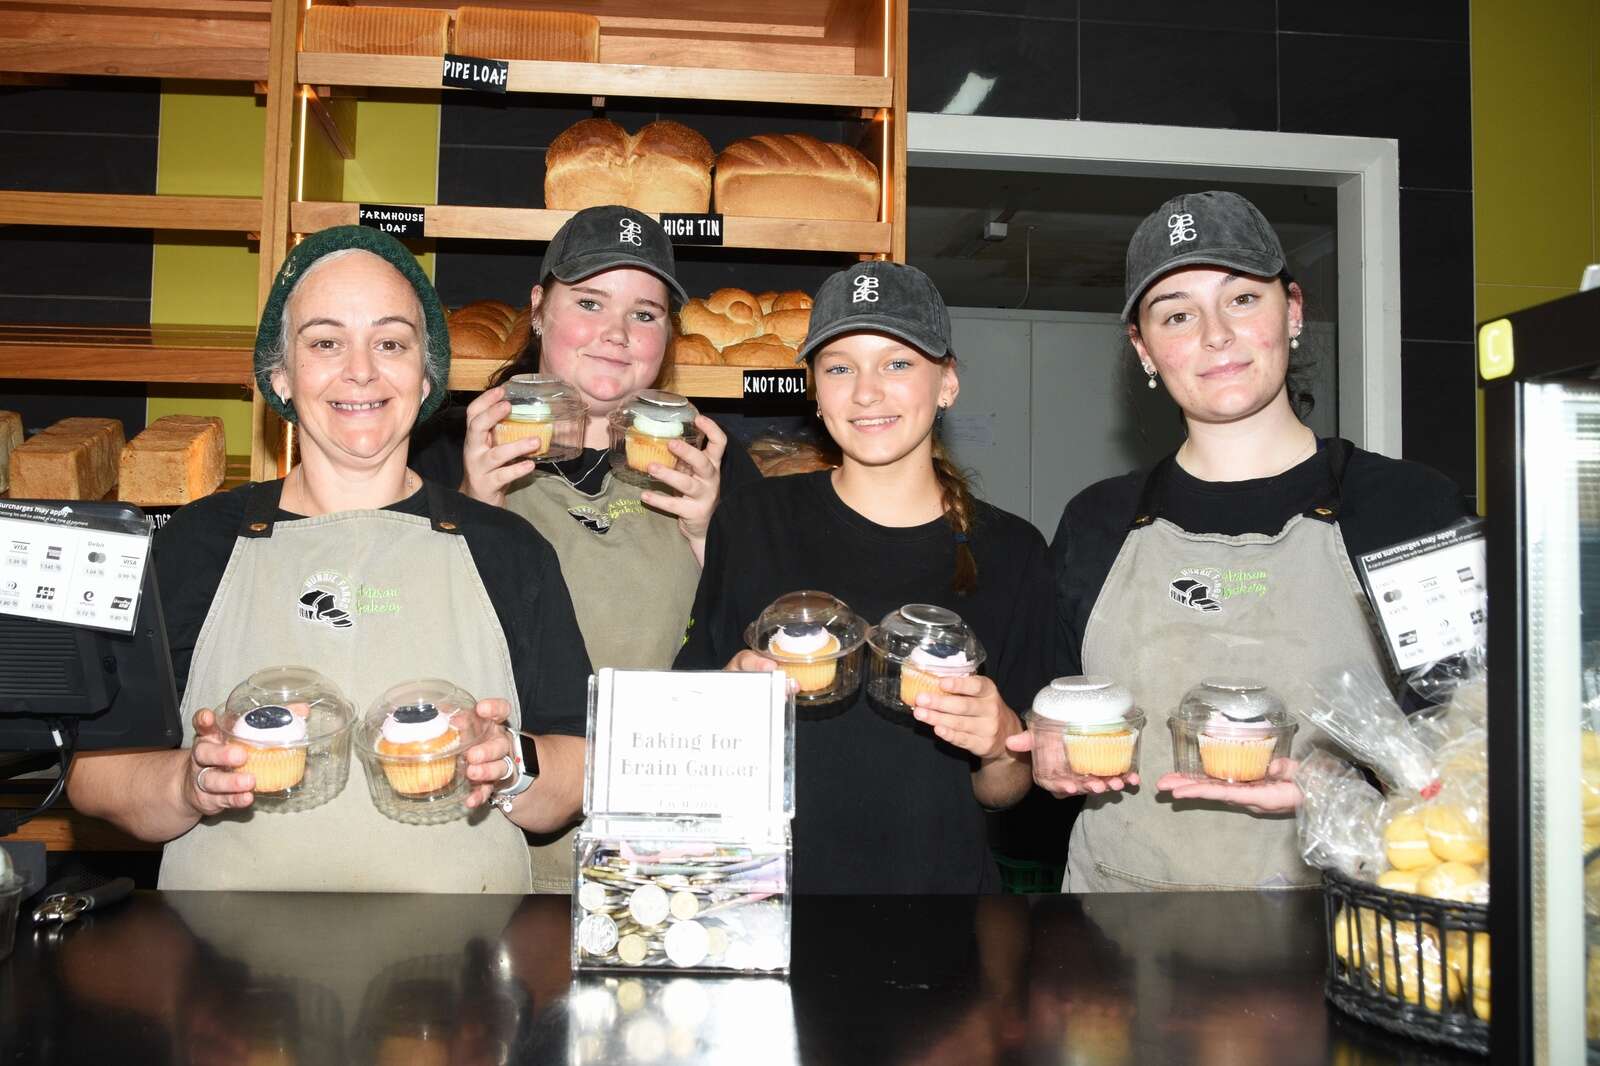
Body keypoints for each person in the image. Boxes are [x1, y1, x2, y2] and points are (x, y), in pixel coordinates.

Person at [66, 226, 591, 892]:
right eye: (324, 342)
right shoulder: (194, 545)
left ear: (426, 374)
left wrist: (509, 763)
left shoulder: (507, 550)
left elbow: (576, 768)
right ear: (280, 374)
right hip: (225, 974)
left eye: (391, 343)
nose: (361, 370)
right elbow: (95, 774)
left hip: (464, 971)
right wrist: (187, 781)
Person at [1017, 190, 1469, 892]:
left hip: (1341, 939)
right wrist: (1045, 743)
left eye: (1241, 300)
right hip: (1117, 948)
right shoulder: (1097, 522)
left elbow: (1483, 760)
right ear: (1144, 348)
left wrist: (1341, 796)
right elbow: (1049, 707)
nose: (1215, 335)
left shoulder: (1408, 509)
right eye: (1176, 314)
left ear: (1292, 311)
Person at [411, 206, 761, 889]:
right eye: (590, 302)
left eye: (645, 314)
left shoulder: (716, 469)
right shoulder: (444, 451)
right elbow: (400, 646)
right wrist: (475, 511)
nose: (615, 335)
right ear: (540, 309)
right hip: (484, 844)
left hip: (663, 854)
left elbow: (759, 660)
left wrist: (708, 536)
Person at [675, 261, 1053, 894]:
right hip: (764, 901)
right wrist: (728, 690)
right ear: (814, 392)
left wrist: (998, 743)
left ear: (948, 383)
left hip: (940, 908)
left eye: (898, 363)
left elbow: (1004, 795)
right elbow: (690, 718)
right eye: (840, 367)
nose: (866, 392)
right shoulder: (754, 518)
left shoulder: (1013, 551)